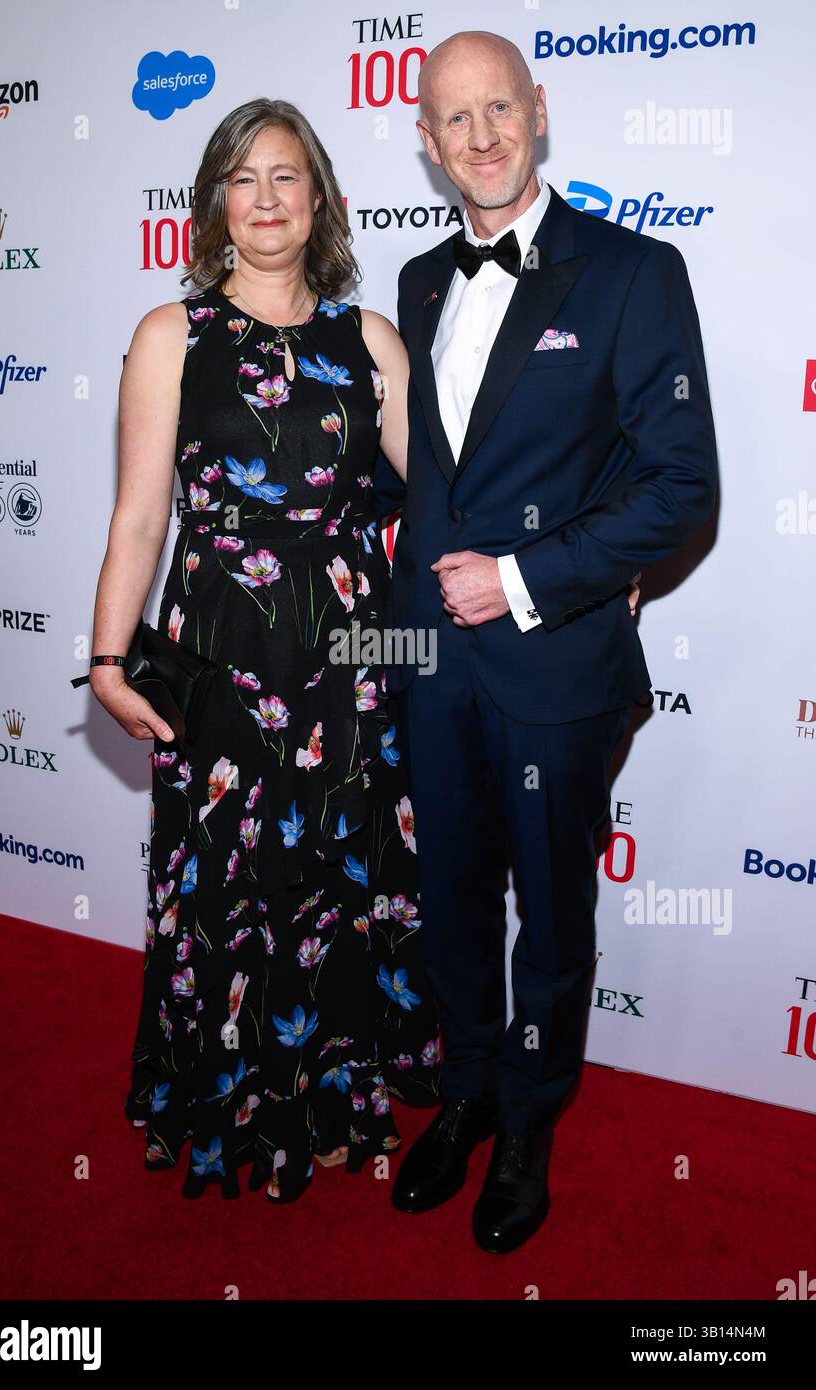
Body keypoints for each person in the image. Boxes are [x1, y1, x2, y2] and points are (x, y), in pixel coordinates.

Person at [376, 31, 718, 1252]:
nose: (478, 136)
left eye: (498, 109)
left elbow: (680, 488)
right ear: (423, 139)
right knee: (452, 891)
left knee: (552, 908)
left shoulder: (634, 271)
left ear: (538, 111)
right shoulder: (416, 281)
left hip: (554, 655)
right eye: (451, 118)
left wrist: (531, 578)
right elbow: (430, 483)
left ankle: (529, 1117)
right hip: (430, 664)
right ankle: (467, 1086)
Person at [87, 98, 441, 1204]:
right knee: (227, 884)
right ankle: (221, 1097)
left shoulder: (367, 339)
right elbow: (140, 519)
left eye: (288, 176)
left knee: (337, 872)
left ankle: (331, 1096)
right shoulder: (171, 336)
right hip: (224, 651)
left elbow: (446, 495)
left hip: (349, 653)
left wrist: (577, 548)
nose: (268, 199)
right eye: (245, 179)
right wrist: (106, 663)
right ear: (215, 203)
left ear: (321, 197)